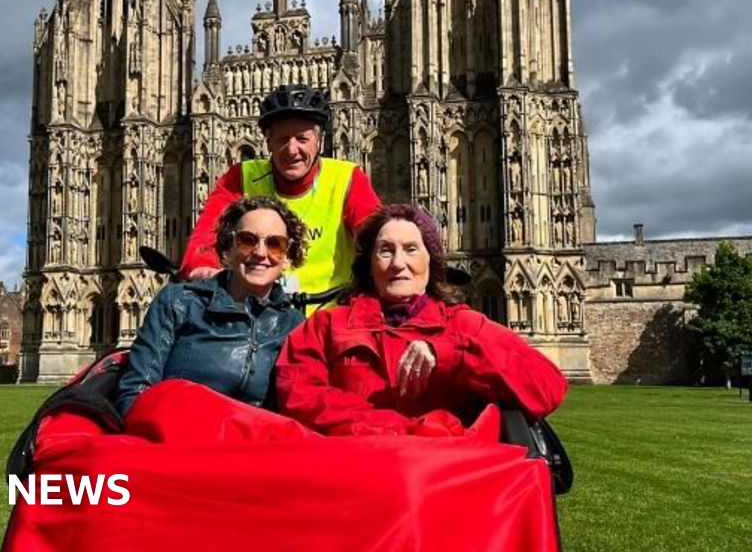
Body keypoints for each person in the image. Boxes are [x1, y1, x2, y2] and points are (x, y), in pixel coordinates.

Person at [275, 204, 568, 437]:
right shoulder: (325, 327)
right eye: (385, 250)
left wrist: (453, 356)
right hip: (355, 480)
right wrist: (406, 431)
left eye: (411, 249)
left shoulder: (464, 325)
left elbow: (546, 387)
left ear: (432, 261)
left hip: (440, 487)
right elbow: (299, 398)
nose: (398, 263)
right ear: (369, 264)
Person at [180, 84, 380, 303]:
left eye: (302, 139)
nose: (292, 149)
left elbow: (377, 236)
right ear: (268, 143)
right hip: (257, 317)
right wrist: (202, 266)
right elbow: (210, 230)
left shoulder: (346, 178)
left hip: (331, 318)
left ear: (319, 141)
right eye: (283, 139)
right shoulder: (242, 176)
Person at [114, 196, 308, 415]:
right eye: (247, 240)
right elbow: (135, 395)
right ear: (227, 251)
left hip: (254, 444)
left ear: (288, 257)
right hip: (179, 438)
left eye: (275, 244)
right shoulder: (179, 303)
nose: (261, 253)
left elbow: (300, 409)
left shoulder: (295, 326)